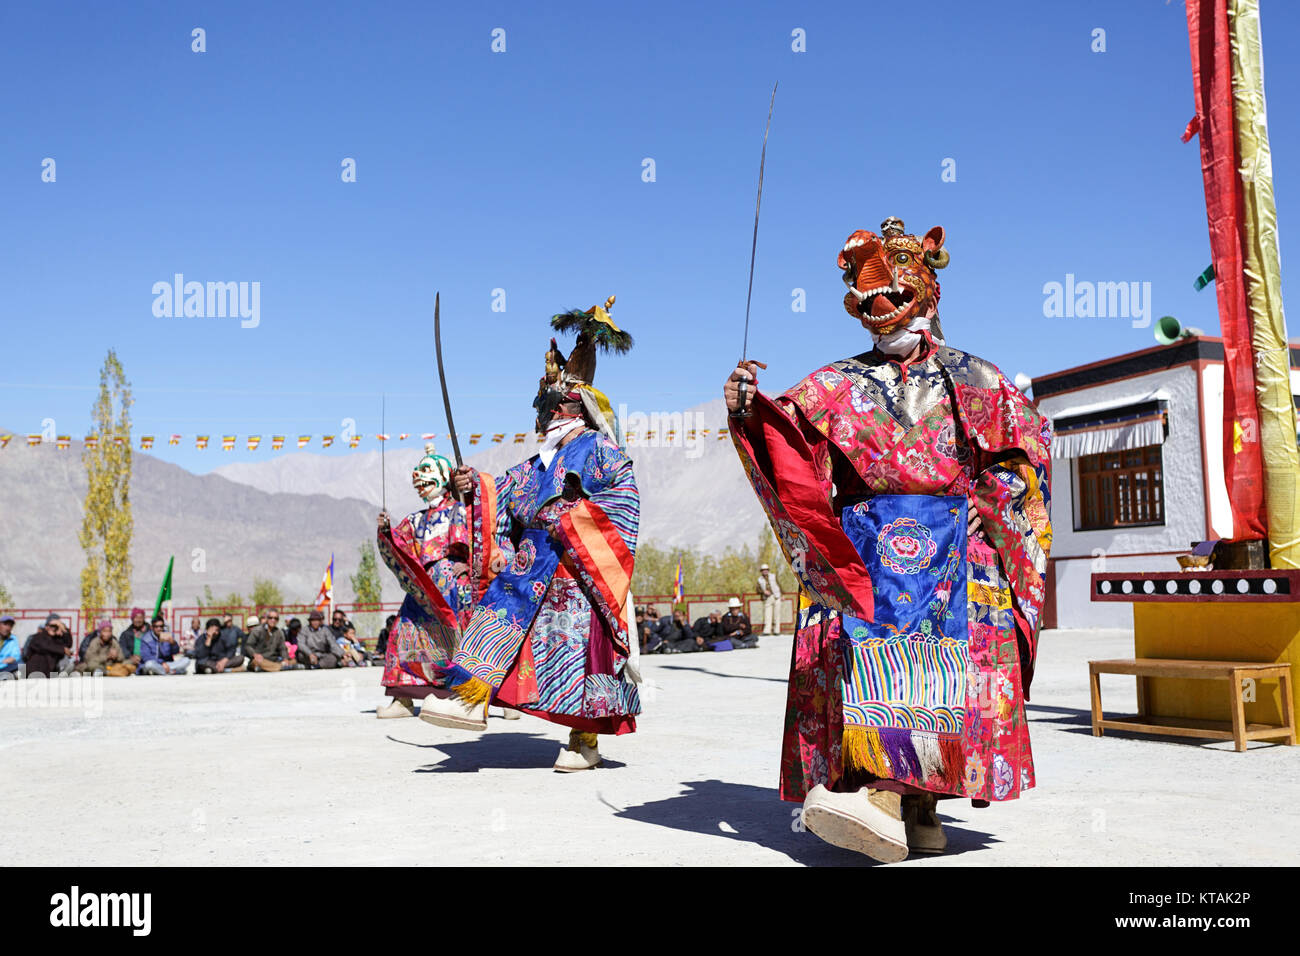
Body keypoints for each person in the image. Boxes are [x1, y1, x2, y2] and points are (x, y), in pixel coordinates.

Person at [724, 217, 1052, 862]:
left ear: (926, 295)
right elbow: (784, 449)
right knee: (865, 667)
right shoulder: (831, 384)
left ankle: (914, 806)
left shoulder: (981, 380)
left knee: (948, 672)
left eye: (895, 298)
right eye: (868, 304)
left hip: (957, 549)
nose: (882, 313)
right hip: (865, 551)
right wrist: (744, 408)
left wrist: (999, 510)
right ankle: (885, 799)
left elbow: (1025, 458)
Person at [420, 298, 643, 771]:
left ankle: (584, 739)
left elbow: (624, 500)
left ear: (573, 407)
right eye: (541, 405)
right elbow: (497, 499)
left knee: (579, 651)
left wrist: (575, 517)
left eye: (550, 404)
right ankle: (469, 698)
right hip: (526, 565)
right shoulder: (530, 465)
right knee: (495, 615)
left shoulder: (599, 449)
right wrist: (471, 488)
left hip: (577, 566)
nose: (542, 413)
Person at [375, 442, 483, 715]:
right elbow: (400, 548)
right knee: (403, 632)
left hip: (452, 587)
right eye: (417, 473)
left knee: (459, 638)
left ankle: (480, 695)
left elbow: (481, 538)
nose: (418, 478)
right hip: (423, 587)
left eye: (425, 471)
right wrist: (387, 531)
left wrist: (468, 564)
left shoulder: (461, 510)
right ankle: (403, 697)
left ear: (443, 477)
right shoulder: (415, 520)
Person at [757, 563, 783, 636]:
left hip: (776, 596)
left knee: (777, 614)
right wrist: (763, 591)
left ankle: (777, 631)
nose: (765, 571)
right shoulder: (759, 580)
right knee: (767, 615)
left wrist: (782, 595)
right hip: (767, 598)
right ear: (761, 571)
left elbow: (779, 585)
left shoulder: (773, 576)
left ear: (768, 570)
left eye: (766, 570)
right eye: (763, 570)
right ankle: (767, 631)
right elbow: (757, 589)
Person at [0, 615, 21, 679]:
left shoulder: (13, 639)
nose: (7, 628)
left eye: (10, 625)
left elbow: (15, 656)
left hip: (6, 668)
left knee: (19, 667)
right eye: (5, 624)